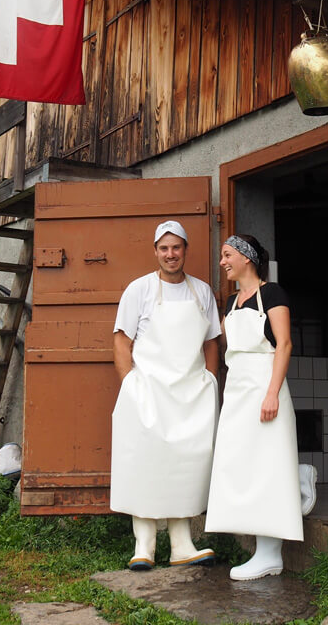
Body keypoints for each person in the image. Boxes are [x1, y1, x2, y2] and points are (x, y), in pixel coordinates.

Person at [110, 220, 221, 570]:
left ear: (185, 250)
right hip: (148, 391)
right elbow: (121, 341)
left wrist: (210, 381)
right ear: (155, 251)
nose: (170, 254)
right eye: (164, 248)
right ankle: (144, 545)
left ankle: (182, 545)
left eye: (176, 248)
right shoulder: (138, 290)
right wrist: (130, 384)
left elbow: (211, 341)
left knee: (184, 466)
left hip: (189, 394)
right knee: (145, 464)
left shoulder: (201, 292)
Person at [205, 234, 304, 580]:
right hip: (238, 393)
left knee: (268, 467)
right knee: (243, 466)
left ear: (246, 259)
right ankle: (300, 487)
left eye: (227, 254)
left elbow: (284, 344)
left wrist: (272, 393)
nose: (223, 261)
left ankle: (270, 554)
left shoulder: (273, 294)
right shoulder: (232, 303)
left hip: (265, 389)